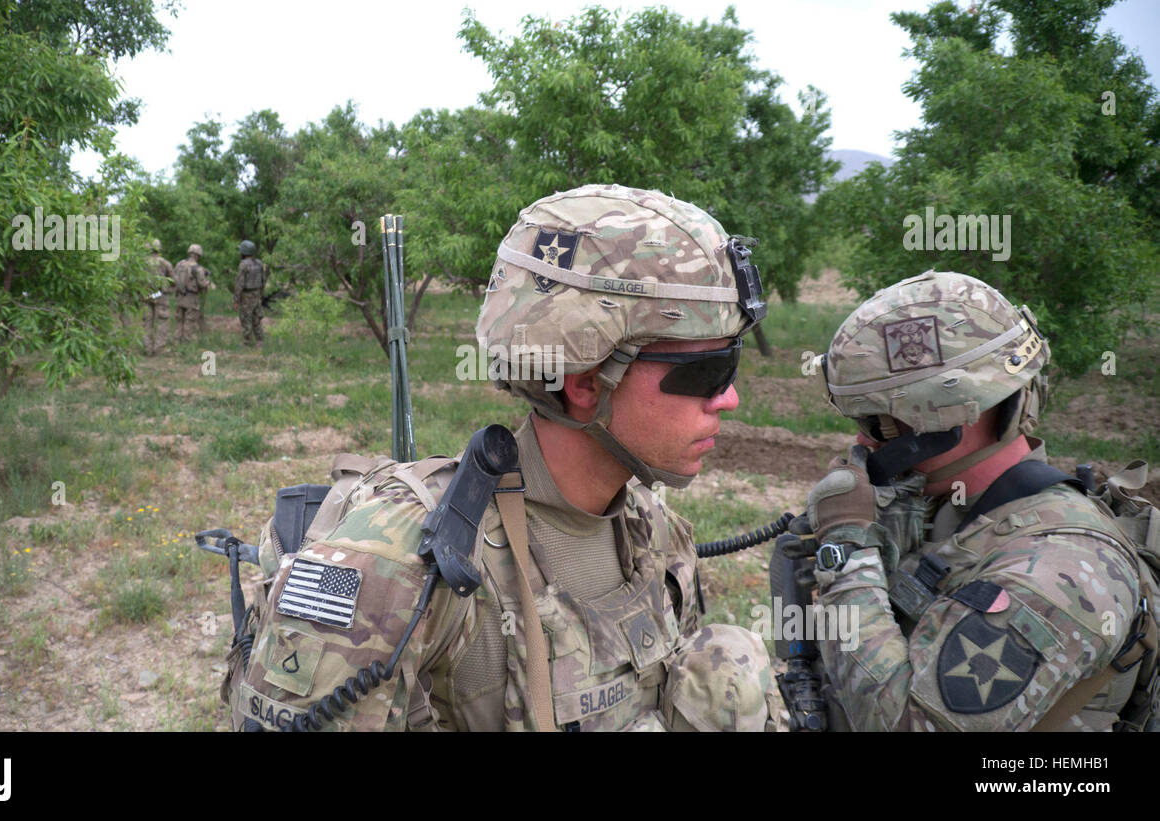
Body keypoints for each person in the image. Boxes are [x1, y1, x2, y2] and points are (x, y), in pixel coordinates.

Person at [226, 184, 784, 731]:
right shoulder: (409, 563)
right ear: (587, 381)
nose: (729, 398)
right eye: (710, 372)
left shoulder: (653, 530)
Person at [793, 270, 1143, 731]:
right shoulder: (955, 514)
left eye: (876, 423)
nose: (860, 440)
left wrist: (847, 555)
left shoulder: (1060, 568)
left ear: (947, 419)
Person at [173, 243, 211, 342]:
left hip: (180, 296)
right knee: (189, 321)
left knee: (179, 320)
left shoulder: (179, 264)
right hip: (191, 298)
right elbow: (202, 284)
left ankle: (177, 341)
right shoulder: (198, 268)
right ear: (198, 255)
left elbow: (174, 277)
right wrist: (208, 282)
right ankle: (186, 342)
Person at [233, 240, 267, 346]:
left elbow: (239, 284)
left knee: (246, 319)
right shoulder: (259, 263)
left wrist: (236, 300)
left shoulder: (243, 265)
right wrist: (261, 295)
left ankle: (247, 342)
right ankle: (259, 341)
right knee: (257, 319)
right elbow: (263, 281)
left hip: (246, 296)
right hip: (256, 295)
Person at [143, 239, 174, 355]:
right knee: (162, 321)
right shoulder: (165, 263)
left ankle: (147, 348)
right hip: (160, 296)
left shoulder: (142, 263)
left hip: (146, 296)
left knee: (146, 322)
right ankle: (159, 348)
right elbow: (173, 280)